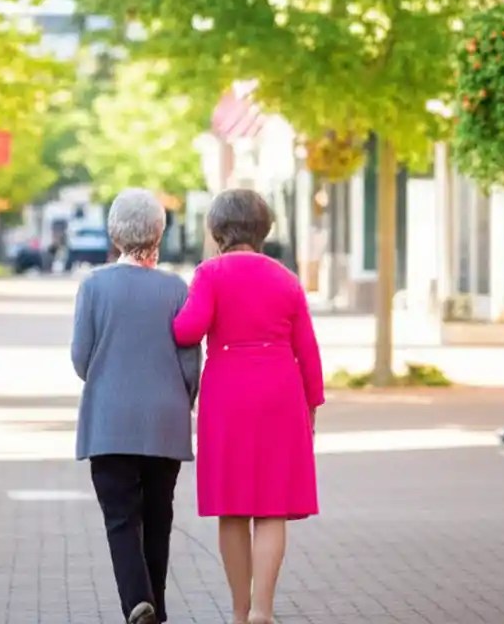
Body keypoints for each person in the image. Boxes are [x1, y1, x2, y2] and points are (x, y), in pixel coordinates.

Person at [173, 189, 324, 624]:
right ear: (264, 229)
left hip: (228, 395)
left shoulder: (210, 274)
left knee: (233, 505)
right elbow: (307, 350)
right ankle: (264, 609)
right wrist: (312, 403)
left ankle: (239, 611)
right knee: (273, 506)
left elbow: (188, 330)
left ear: (218, 231)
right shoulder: (285, 278)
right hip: (280, 391)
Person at [71, 189, 201, 624]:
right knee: (158, 518)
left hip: (109, 422)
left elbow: (80, 358)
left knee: (121, 518)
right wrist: (184, 397)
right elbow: (189, 361)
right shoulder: (176, 289)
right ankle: (155, 607)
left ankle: (136, 602)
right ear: (159, 231)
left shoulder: (93, 287)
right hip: (165, 422)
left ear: (113, 232)